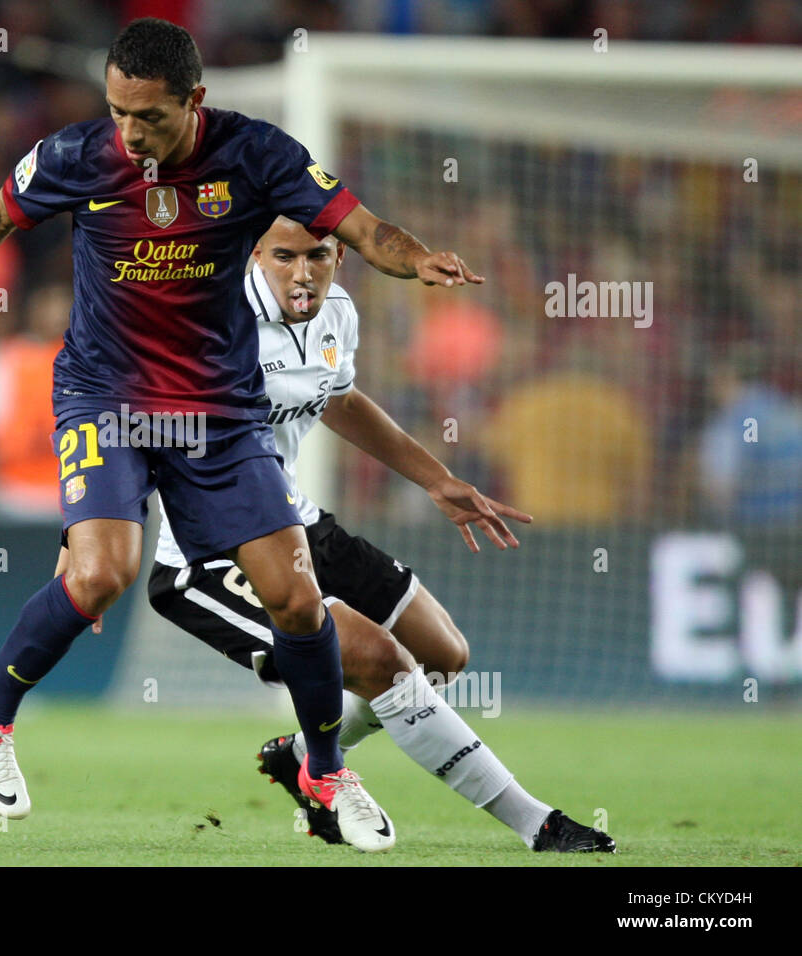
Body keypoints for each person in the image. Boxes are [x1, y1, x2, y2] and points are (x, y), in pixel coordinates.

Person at [0, 18, 485, 852]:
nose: (129, 132)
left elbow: (362, 230)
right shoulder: (77, 158)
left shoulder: (259, 155)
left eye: (148, 116)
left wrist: (416, 258)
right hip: (105, 397)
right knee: (102, 572)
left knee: (298, 599)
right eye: (117, 111)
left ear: (194, 101)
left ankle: (325, 770)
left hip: (217, 411)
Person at [143, 217, 616, 852]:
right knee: (379, 661)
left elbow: (338, 399)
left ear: (340, 254)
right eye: (284, 256)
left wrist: (435, 478)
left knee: (444, 656)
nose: (303, 272)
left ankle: (303, 755)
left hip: (295, 521)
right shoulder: (211, 324)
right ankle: (538, 824)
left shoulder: (337, 309)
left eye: (318, 255)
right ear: (254, 253)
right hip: (207, 552)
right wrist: (90, 538)